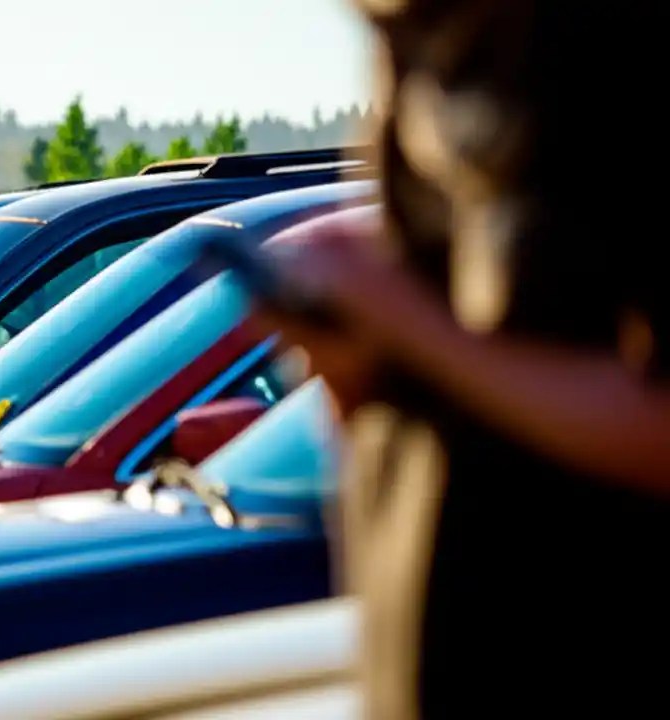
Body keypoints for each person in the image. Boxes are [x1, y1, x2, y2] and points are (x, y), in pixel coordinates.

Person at [250, 2, 670, 718]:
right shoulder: (412, 58)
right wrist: (350, 364)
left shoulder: (606, 59)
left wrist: (410, 326)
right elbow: (432, 404)